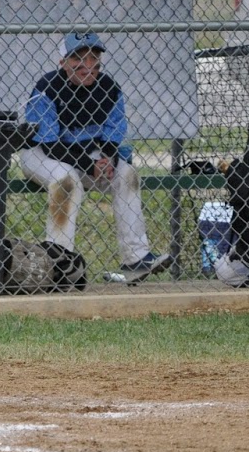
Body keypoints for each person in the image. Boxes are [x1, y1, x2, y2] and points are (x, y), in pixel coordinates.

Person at [18, 32, 173, 282]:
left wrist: (107, 160)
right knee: (67, 181)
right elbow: (49, 145)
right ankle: (59, 264)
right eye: (78, 59)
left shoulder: (108, 88)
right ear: (63, 63)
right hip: (40, 153)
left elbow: (112, 135)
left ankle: (136, 259)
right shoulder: (47, 88)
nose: (87, 66)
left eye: (93, 58)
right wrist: (90, 165)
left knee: (126, 174)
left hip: (88, 155)